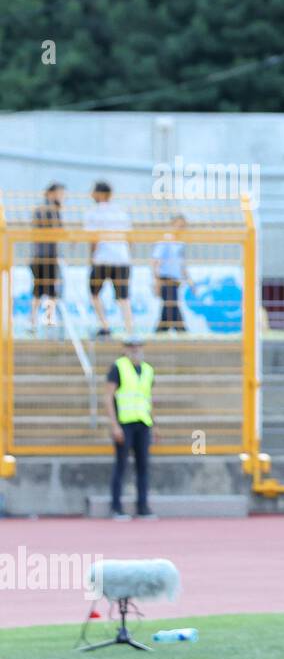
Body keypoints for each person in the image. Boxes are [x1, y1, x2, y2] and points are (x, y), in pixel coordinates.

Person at [103, 337, 154, 521]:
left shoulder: (148, 370)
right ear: (125, 349)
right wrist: (114, 425)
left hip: (143, 422)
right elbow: (108, 397)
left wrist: (153, 424)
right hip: (124, 423)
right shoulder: (118, 367)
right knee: (121, 466)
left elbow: (147, 398)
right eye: (132, 346)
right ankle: (116, 507)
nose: (136, 349)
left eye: (139, 346)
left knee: (143, 467)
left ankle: (142, 506)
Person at [84, 181, 134, 339]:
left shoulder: (93, 213)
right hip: (122, 258)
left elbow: (93, 239)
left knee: (94, 293)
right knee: (123, 297)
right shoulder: (121, 211)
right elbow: (130, 237)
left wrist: (91, 257)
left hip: (103, 258)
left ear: (100, 194)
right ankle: (129, 330)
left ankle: (105, 326)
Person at [30, 182, 64, 335]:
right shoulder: (44, 210)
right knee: (39, 291)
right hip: (42, 256)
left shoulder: (55, 210)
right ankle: (34, 321)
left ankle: (47, 320)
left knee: (50, 291)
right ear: (51, 193)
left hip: (49, 256)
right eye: (59, 193)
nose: (61, 197)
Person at [151, 213, 191, 333]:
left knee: (169, 306)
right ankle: (181, 330)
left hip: (175, 280)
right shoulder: (165, 240)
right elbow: (155, 261)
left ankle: (162, 330)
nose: (181, 228)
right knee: (171, 304)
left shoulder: (181, 242)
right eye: (179, 225)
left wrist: (188, 280)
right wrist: (156, 281)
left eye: (183, 226)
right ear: (172, 224)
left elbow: (181, 264)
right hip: (165, 279)